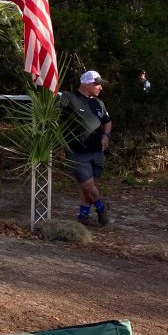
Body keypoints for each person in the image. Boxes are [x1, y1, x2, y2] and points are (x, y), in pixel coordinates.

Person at [60, 71, 113, 226]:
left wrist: (106, 136)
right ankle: (101, 206)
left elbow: (107, 122)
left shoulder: (98, 103)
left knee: (90, 186)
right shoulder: (70, 98)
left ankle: (83, 215)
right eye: (97, 84)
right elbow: (54, 106)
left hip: (97, 150)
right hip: (77, 151)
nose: (100, 88)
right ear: (86, 84)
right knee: (87, 184)